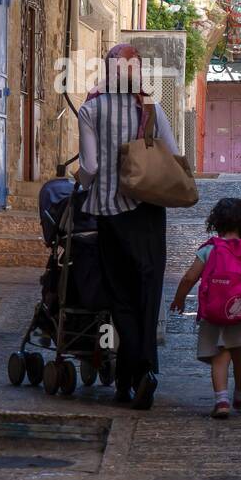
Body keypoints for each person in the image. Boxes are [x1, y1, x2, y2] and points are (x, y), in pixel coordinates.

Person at [76, 43, 180, 410]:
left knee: (120, 297)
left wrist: (82, 185)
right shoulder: (148, 107)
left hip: (109, 213)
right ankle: (144, 371)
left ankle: (131, 376)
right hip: (148, 212)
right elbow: (171, 149)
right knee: (147, 294)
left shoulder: (91, 108)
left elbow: (88, 167)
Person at [169, 198, 241, 418]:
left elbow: (189, 277)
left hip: (214, 314)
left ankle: (221, 400)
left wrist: (179, 299)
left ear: (216, 223)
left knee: (220, 356)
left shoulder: (208, 250)